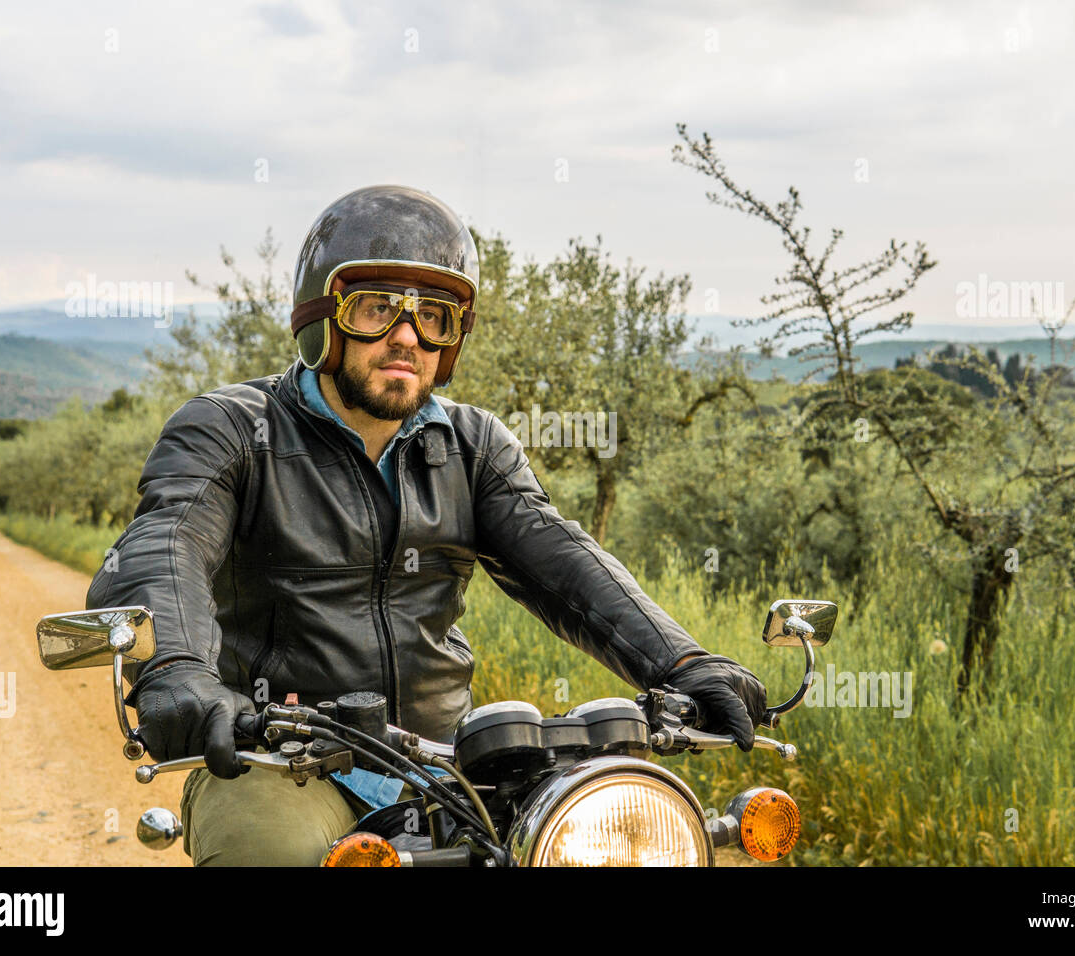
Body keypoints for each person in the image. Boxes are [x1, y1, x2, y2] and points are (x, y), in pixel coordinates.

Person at [87, 184, 768, 865]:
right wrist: (176, 668)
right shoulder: (232, 429)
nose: (407, 337)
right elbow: (165, 544)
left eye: (434, 317)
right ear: (323, 319)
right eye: (377, 309)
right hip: (271, 758)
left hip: (446, 767)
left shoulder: (472, 447)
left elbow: (563, 560)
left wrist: (681, 661)